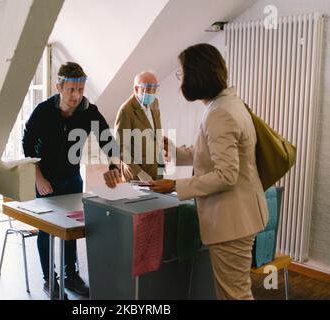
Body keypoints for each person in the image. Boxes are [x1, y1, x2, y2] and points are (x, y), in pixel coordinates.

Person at [104, 44, 269, 299]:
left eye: (181, 74)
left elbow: (226, 175)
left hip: (232, 220)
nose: (180, 80)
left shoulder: (220, 113)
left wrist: (175, 186)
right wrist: (178, 153)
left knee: (235, 295)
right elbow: (213, 154)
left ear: (197, 75)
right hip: (239, 216)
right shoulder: (227, 105)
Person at [23, 62, 116, 299]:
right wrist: (38, 177)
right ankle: (49, 280)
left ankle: (70, 275)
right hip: (46, 181)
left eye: (81, 90)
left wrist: (115, 164)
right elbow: (27, 145)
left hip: (73, 179)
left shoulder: (89, 111)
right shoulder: (43, 111)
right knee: (46, 231)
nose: (76, 96)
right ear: (59, 87)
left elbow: (107, 139)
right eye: (71, 89)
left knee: (71, 230)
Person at [113, 71, 165, 182]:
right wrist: (140, 173)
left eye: (154, 89)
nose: (151, 93)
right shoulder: (125, 111)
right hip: (136, 176)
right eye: (148, 89)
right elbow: (120, 148)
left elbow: (156, 133)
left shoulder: (155, 102)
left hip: (156, 170)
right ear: (136, 89)